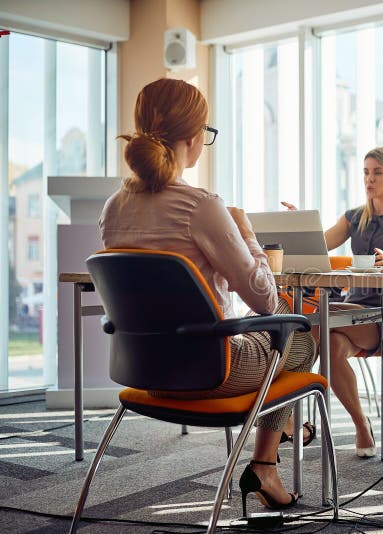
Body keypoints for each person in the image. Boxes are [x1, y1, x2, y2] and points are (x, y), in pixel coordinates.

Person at [99, 78, 315, 511]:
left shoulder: (113, 208)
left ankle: (285, 423)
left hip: (145, 372)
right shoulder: (202, 206)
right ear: (195, 137)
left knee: (282, 330)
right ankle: (266, 464)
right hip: (210, 371)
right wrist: (246, 230)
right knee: (298, 332)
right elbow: (264, 301)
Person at [282, 146, 383, 458]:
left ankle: (287, 412)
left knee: (307, 319)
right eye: (365, 172)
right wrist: (297, 228)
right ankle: (361, 424)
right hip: (350, 312)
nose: (369, 179)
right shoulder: (353, 218)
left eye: (377, 172)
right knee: (330, 344)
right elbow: (318, 245)